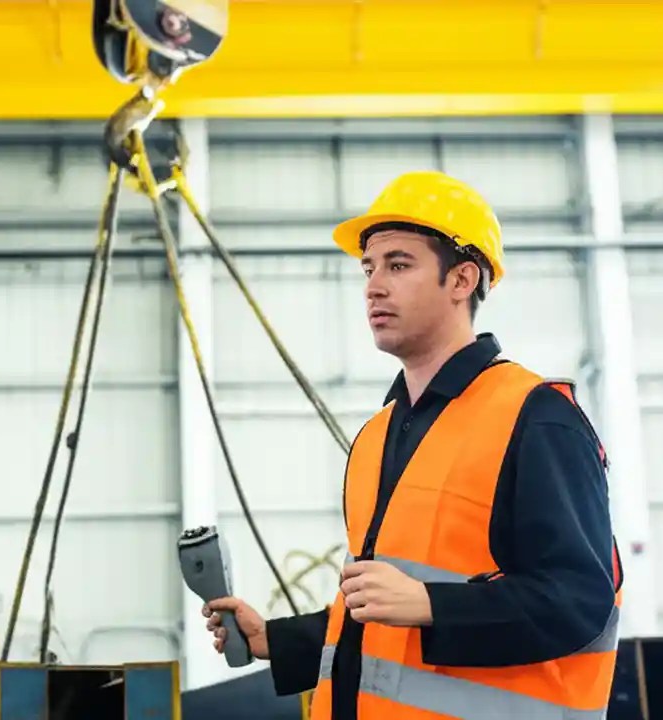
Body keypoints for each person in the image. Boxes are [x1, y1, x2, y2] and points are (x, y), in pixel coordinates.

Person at [201, 171, 624, 720]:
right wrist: (278, 641)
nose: (374, 286)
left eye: (399, 265)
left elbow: (579, 600)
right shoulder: (377, 436)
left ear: (462, 279)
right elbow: (383, 615)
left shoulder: (537, 417)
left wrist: (430, 605)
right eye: (369, 267)